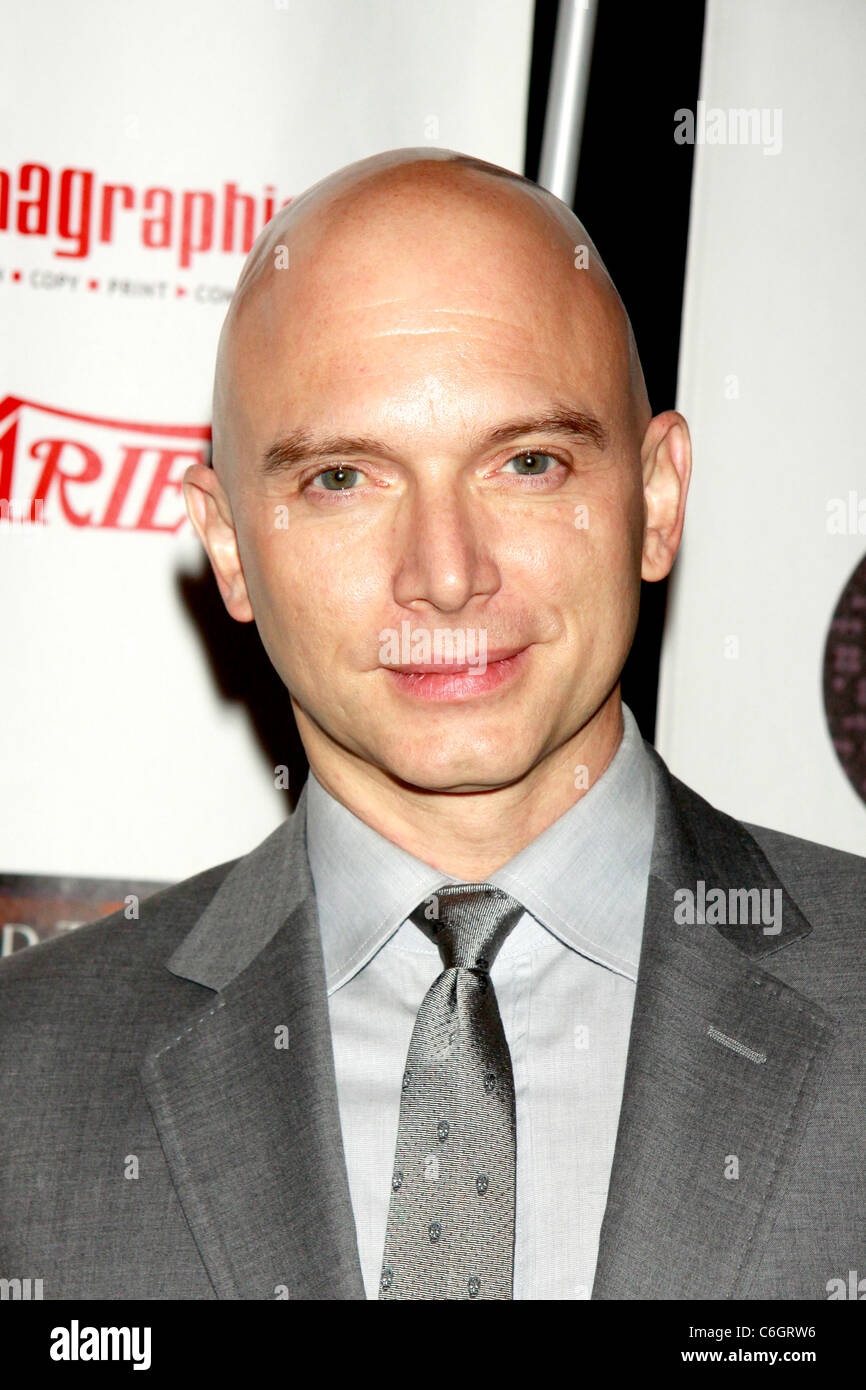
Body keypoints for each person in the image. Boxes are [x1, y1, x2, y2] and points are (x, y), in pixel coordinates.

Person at [1, 148, 863, 1301]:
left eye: (526, 461)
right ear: (227, 548)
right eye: (342, 480)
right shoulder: (26, 1080)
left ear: (654, 500)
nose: (445, 576)